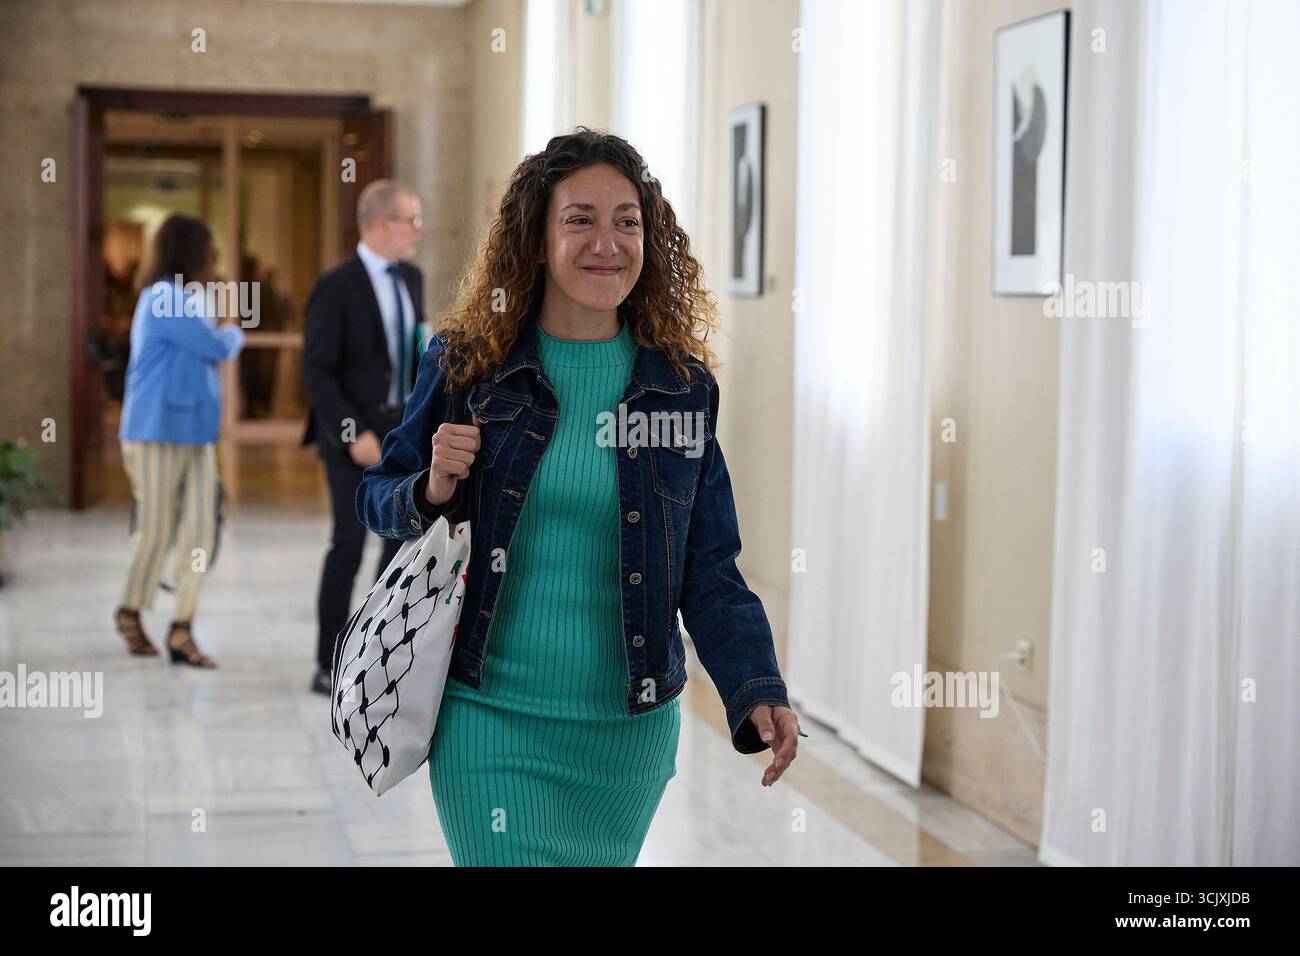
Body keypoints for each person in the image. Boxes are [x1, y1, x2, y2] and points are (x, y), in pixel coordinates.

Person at [357, 129, 802, 866]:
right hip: (487, 719)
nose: (608, 242)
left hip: (624, 736)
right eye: (580, 219)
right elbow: (376, 496)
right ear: (536, 239)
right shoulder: (472, 368)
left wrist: (757, 684)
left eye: (627, 220)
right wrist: (430, 487)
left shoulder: (679, 388)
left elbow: (710, 565)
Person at [302, 180, 427, 695]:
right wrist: (353, 432)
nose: (418, 232)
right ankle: (328, 661)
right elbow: (316, 371)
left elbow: (415, 353)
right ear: (382, 224)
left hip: (402, 433)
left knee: (399, 544)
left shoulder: (411, 278)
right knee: (348, 545)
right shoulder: (335, 286)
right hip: (350, 436)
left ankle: (375, 650)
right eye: (411, 221)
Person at [114, 214, 244, 667]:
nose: (214, 260)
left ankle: (182, 627)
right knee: (156, 531)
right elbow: (216, 347)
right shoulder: (163, 297)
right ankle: (130, 610)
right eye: (209, 250)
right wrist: (232, 327)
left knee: (199, 532)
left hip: (194, 435)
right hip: (154, 432)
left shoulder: (182, 298)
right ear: (192, 252)